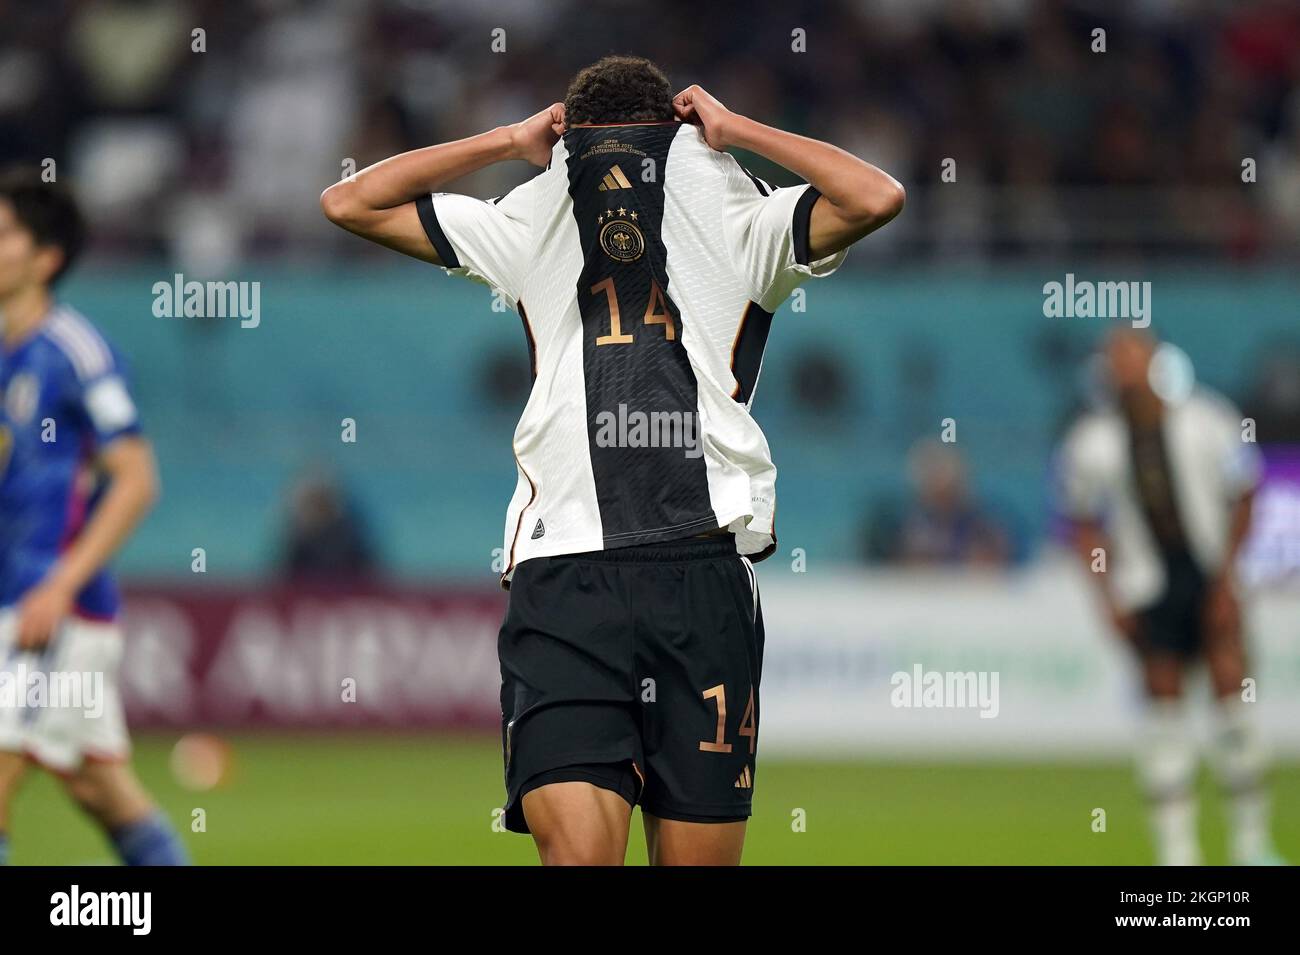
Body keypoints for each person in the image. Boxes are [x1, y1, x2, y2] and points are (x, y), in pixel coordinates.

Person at [321, 55, 904, 865]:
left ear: (569, 136)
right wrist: (739, 132)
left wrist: (507, 141)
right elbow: (877, 195)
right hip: (606, 575)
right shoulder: (717, 214)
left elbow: (350, 199)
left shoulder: (570, 211)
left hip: (635, 577)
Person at [0, 168, 187, 865]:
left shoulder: (77, 352)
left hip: (53, 610)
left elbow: (136, 478)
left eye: (3, 235)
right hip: (16, 603)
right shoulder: (5, 354)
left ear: (44, 259)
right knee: (99, 787)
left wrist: (61, 582)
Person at [1059, 328, 1283, 866]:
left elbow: (1246, 494)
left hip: (1207, 577)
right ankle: (1178, 856)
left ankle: (1251, 844)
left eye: (1131, 357)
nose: (1122, 368)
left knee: (1235, 713)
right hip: (1147, 586)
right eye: (1114, 360)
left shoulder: (1208, 420)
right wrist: (1106, 595)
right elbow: (1084, 523)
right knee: (1164, 723)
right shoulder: (1092, 441)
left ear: (1155, 361)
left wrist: (1231, 578)